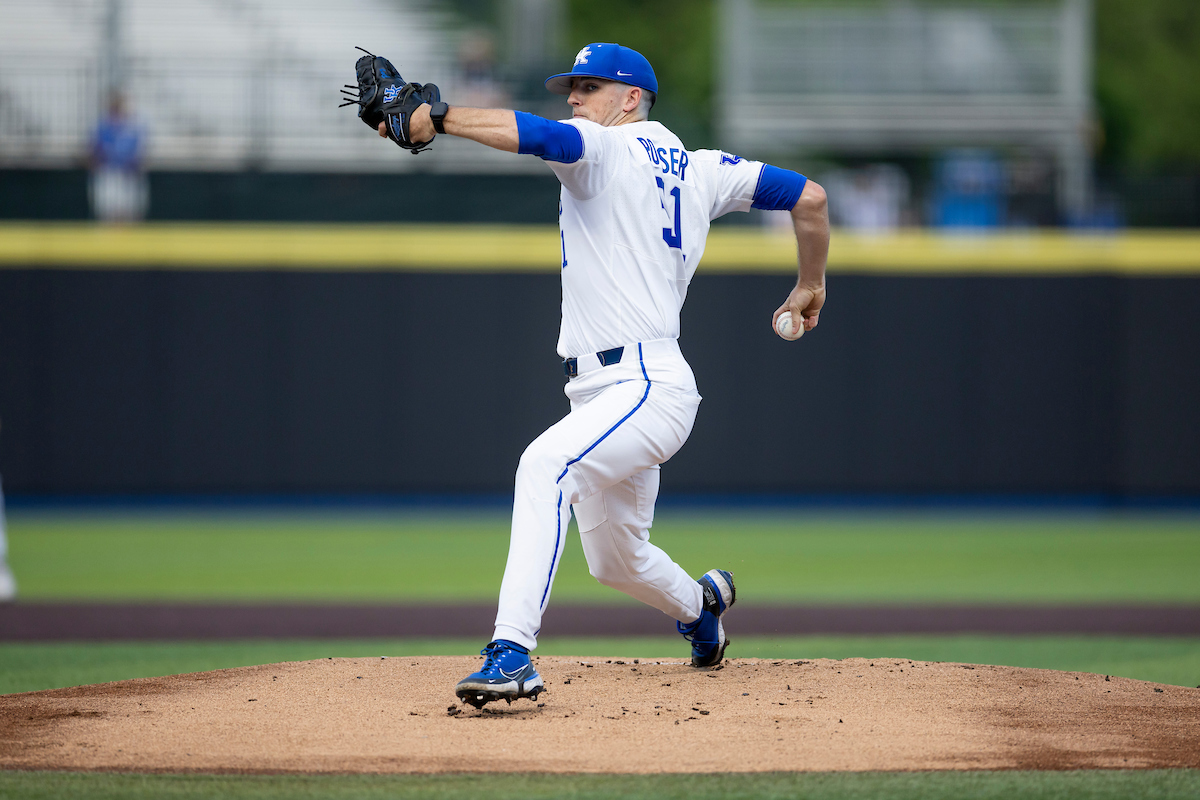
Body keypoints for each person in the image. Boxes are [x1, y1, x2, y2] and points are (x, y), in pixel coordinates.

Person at [374, 43, 828, 707]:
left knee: (545, 467)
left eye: (588, 87)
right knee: (614, 558)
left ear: (631, 99)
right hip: (618, 390)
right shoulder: (703, 170)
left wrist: (438, 117)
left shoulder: (607, 146)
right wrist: (810, 284)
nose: (574, 98)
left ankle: (510, 654)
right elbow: (810, 196)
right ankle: (702, 611)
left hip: (645, 383)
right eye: (572, 87)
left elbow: (538, 134)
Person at [88, 92, 149, 224]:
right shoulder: (103, 126)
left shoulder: (132, 127)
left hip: (128, 174)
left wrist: (133, 162)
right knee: (108, 210)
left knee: (129, 211)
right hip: (108, 172)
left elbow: (138, 150)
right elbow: (96, 148)